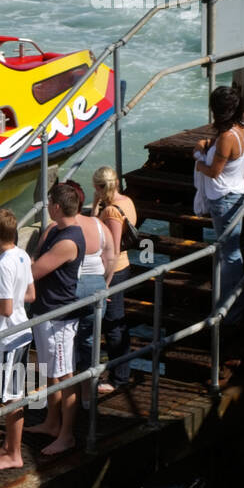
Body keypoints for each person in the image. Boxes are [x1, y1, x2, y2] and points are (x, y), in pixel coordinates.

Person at [26, 182, 85, 456]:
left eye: (49, 202)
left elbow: (35, 270)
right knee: (52, 373)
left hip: (59, 316)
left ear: (57, 206)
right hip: (46, 312)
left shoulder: (68, 240)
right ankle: (52, 423)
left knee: (65, 375)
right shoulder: (57, 231)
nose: (47, 206)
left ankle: (67, 434)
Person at [0, 208, 35, 470]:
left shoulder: (4, 264)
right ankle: (9, 448)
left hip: (7, 336)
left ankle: (14, 453)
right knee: (11, 393)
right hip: (21, 331)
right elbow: (30, 295)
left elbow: (4, 308)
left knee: (11, 396)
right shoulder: (22, 255)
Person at [195, 85, 244, 321]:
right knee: (229, 251)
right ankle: (230, 304)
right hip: (236, 192)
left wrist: (198, 161)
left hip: (223, 199)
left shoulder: (227, 137)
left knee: (230, 254)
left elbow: (214, 171)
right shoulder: (243, 130)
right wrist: (208, 147)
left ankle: (230, 310)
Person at [92, 165, 138, 391]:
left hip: (114, 270)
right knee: (115, 324)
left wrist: (105, 284)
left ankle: (118, 378)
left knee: (113, 325)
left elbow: (113, 249)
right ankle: (118, 373)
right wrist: (95, 205)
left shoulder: (111, 211)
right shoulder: (127, 201)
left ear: (100, 187)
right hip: (123, 266)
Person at [70, 181, 115, 404]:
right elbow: (111, 258)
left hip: (72, 287)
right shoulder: (98, 225)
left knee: (66, 342)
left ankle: (66, 397)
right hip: (96, 286)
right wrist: (104, 283)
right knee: (89, 341)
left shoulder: (60, 227)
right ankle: (88, 395)